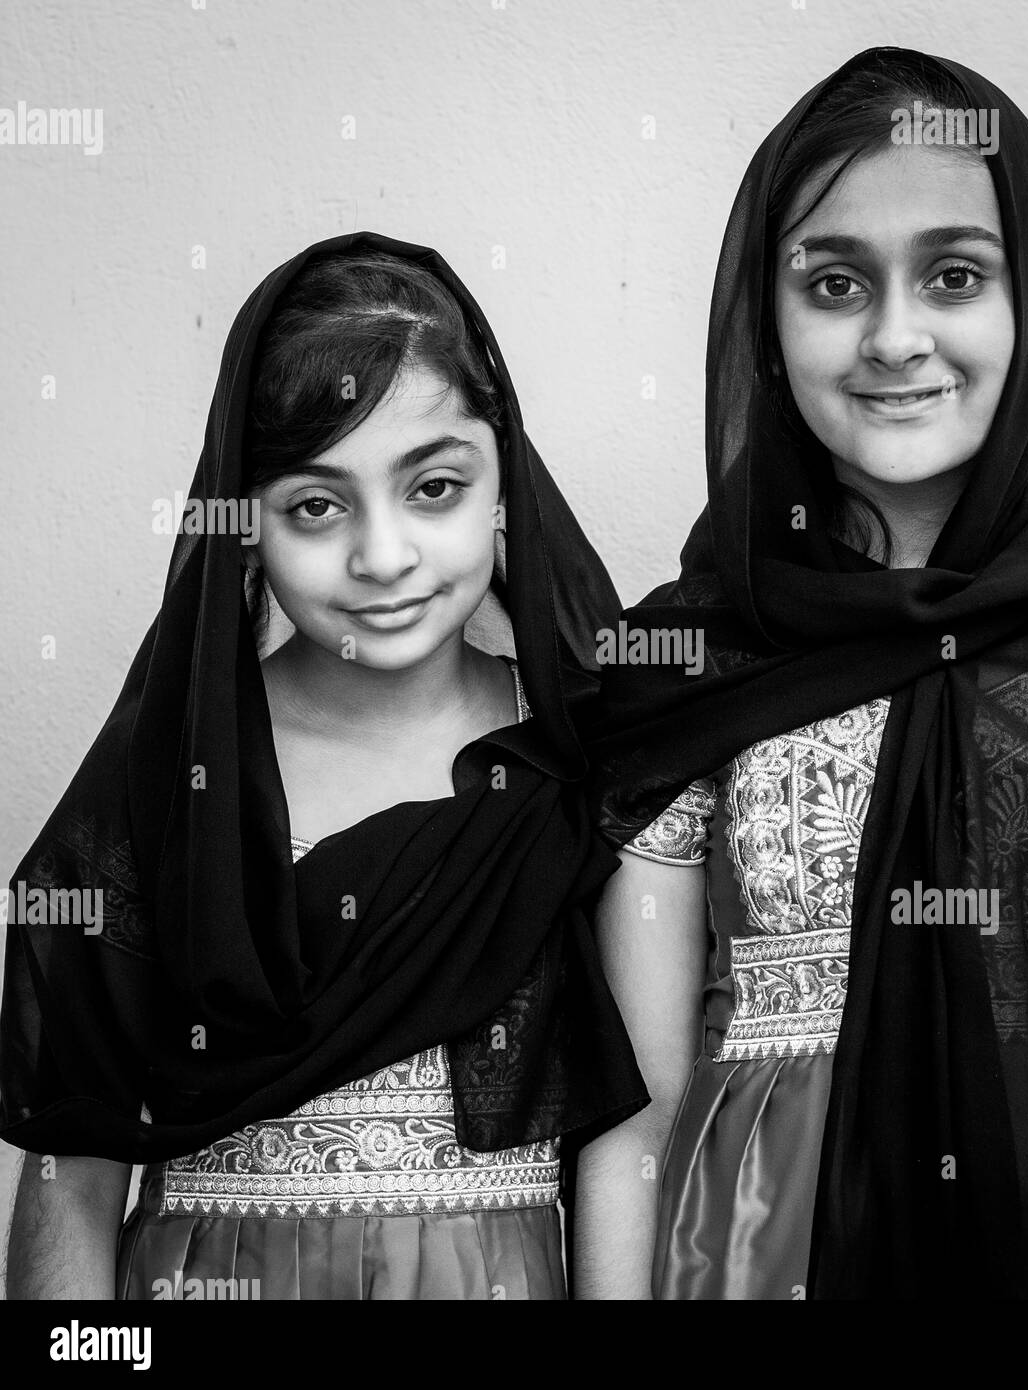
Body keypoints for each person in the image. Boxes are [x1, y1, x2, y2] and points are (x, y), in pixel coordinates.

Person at [574, 47, 1028, 1301]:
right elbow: (635, 1111)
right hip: (759, 1253)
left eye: (954, 275)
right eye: (835, 282)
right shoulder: (696, 657)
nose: (894, 337)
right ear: (766, 316)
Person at [1, 232, 646, 1300]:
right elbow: (71, 1174)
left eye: (434, 487)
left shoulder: (588, 761)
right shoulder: (168, 781)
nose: (383, 556)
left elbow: (633, 1130)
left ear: (505, 482)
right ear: (243, 526)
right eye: (315, 505)